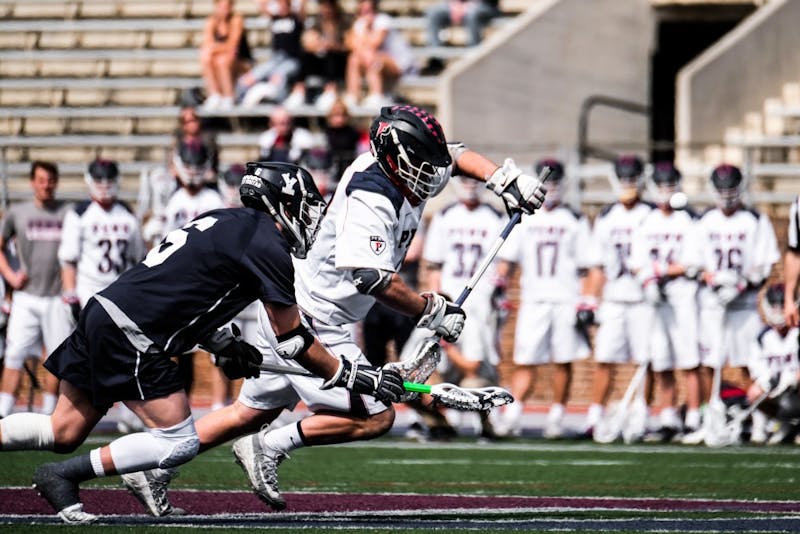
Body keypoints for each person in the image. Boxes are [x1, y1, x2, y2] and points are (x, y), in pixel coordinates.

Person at [121, 104, 547, 515]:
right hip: (313, 322)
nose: (433, 173)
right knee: (376, 417)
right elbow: (372, 279)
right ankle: (270, 446)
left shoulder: (402, 167)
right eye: (422, 163)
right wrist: (430, 310)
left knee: (247, 413)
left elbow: (454, 155)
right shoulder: (372, 197)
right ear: (396, 159)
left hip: (302, 305)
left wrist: (504, 179)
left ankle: (151, 466)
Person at [0, 161, 404, 524]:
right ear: (279, 202)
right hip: (132, 332)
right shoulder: (268, 245)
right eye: (305, 206)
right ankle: (64, 475)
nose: (310, 217)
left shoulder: (225, 220)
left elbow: (185, 291)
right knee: (179, 442)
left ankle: (58, 469)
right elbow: (294, 339)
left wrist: (223, 344)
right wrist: (355, 376)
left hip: (106, 312)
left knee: (63, 430)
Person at [492, 160, 593, 439]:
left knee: (563, 360)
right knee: (526, 359)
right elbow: (507, 259)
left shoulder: (574, 219)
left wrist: (586, 298)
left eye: (556, 182)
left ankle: (556, 416)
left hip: (565, 299)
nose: (552, 187)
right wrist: (499, 284)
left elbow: (586, 266)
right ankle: (513, 414)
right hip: (534, 299)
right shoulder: (524, 214)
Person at [681, 164, 779, 444]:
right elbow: (692, 265)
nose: (726, 195)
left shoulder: (754, 220)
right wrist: (710, 278)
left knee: (750, 364)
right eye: (721, 190)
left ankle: (760, 421)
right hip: (713, 304)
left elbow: (765, 265)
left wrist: (741, 283)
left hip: (743, 305)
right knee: (709, 363)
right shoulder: (704, 221)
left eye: (730, 189)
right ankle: (709, 416)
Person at [422, 176, 505, 439]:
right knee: (429, 366)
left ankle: (486, 418)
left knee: (480, 368)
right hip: (451, 300)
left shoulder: (494, 217)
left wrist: (498, 285)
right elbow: (434, 264)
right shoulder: (445, 216)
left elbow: (504, 261)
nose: (470, 186)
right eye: (465, 180)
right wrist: (439, 300)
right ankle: (440, 417)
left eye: (474, 180)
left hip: (480, 301)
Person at [580, 155, 654, 440]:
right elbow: (597, 265)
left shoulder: (651, 214)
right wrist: (589, 299)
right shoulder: (607, 216)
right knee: (604, 358)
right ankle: (595, 415)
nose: (628, 184)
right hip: (614, 298)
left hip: (645, 299)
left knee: (645, 361)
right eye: (624, 179)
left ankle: (640, 414)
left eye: (632, 179)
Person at [629, 162, 702, 442]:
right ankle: (668, 415)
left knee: (689, 359)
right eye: (660, 186)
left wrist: (661, 271)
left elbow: (692, 263)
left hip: (683, 297)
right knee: (661, 360)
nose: (665, 191)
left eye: (669, 185)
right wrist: (647, 280)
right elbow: (637, 262)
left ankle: (694, 416)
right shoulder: (646, 220)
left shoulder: (688, 219)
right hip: (656, 301)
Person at [0, 161, 74, 419]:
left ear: (57, 182)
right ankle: (3, 411)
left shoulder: (68, 212)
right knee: (14, 354)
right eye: (41, 180)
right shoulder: (18, 212)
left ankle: (49, 413)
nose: (46, 186)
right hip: (27, 296)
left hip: (57, 296)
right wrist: (10, 275)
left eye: (51, 180)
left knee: (56, 356)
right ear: (32, 182)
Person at [747, 283, 800, 444]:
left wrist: (793, 377)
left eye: (782, 306)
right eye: (775, 306)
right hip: (778, 391)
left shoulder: (797, 333)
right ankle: (762, 428)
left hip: (796, 391)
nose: (778, 311)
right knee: (755, 391)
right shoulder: (763, 337)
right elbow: (757, 368)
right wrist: (767, 380)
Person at [344, 0, 417, 109]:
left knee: (372, 57)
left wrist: (363, 33)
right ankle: (353, 96)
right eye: (363, 10)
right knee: (353, 58)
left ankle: (376, 95)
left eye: (369, 10)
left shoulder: (383, 20)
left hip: (399, 63)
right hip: (374, 60)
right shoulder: (359, 23)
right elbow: (350, 44)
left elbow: (374, 43)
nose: (366, 13)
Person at [284, 0, 350, 111]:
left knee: (331, 55)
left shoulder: (344, 23)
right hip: (321, 59)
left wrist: (334, 45)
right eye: (324, 7)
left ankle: (330, 89)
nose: (327, 10)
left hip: (339, 60)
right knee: (305, 55)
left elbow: (349, 44)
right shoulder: (316, 23)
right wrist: (319, 45)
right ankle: (299, 90)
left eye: (329, 7)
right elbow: (308, 41)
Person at [238, 0, 304, 107]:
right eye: (280, 4)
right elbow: (262, 6)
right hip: (275, 59)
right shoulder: (275, 19)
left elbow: (302, 10)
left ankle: (278, 103)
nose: (282, 7)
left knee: (278, 76)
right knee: (249, 77)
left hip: (291, 59)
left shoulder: (295, 19)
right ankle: (240, 100)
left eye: (284, 4)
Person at [200, 0, 252, 110]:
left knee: (222, 60)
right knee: (206, 57)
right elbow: (207, 43)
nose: (225, 9)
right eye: (222, 6)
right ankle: (214, 94)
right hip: (222, 58)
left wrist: (215, 48)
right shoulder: (212, 21)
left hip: (241, 61)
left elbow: (232, 45)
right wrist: (216, 49)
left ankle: (228, 96)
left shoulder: (236, 20)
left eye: (228, 6)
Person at [426, 0, 499, 47]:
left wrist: (468, 5)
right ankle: (436, 56)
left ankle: (473, 53)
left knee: (472, 13)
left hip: (485, 5)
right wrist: (455, 4)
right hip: (459, 6)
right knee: (433, 12)